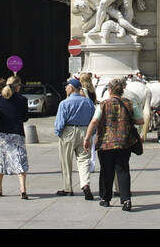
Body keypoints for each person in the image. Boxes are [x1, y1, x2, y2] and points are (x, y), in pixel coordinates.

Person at [85, 76, 138, 211]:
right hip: (124, 143)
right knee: (123, 170)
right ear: (122, 90)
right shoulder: (130, 103)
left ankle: (105, 199)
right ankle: (126, 200)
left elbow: (94, 121)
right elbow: (141, 121)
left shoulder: (103, 104)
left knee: (106, 170)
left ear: (109, 90)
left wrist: (87, 138)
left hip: (105, 143)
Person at [0, 80, 30, 198]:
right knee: (19, 159)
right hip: (17, 133)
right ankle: (22, 188)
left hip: (2, 133)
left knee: (0, 159)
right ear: (17, 87)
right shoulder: (22, 99)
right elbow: (25, 118)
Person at [54, 78, 95, 199]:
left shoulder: (64, 103)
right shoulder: (88, 102)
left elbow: (60, 122)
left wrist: (59, 133)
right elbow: (94, 120)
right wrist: (91, 134)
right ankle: (85, 184)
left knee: (66, 161)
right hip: (85, 131)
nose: (65, 88)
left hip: (69, 131)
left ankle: (68, 188)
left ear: (71, 88)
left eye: (67, 86)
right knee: (83, 160)